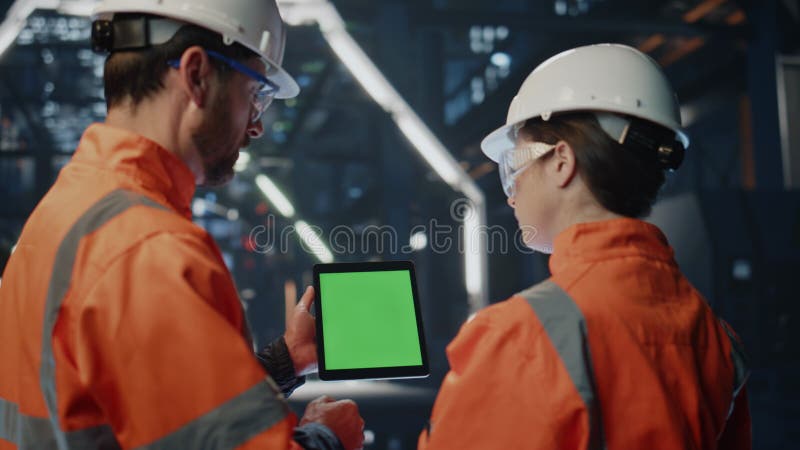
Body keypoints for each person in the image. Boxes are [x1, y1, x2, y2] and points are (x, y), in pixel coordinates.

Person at [0, 0, 364, 449]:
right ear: (196, 76)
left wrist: (284, 362)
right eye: (255, 95)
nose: (257, 127)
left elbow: (148, 409)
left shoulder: (64, 212)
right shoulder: (152, 250)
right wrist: (330, 437)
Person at [418, 44, 751, 449]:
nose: (511, 194)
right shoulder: (718, 341)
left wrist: (327, 438)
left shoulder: (520, 335)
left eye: (514, 166)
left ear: (561, 161)